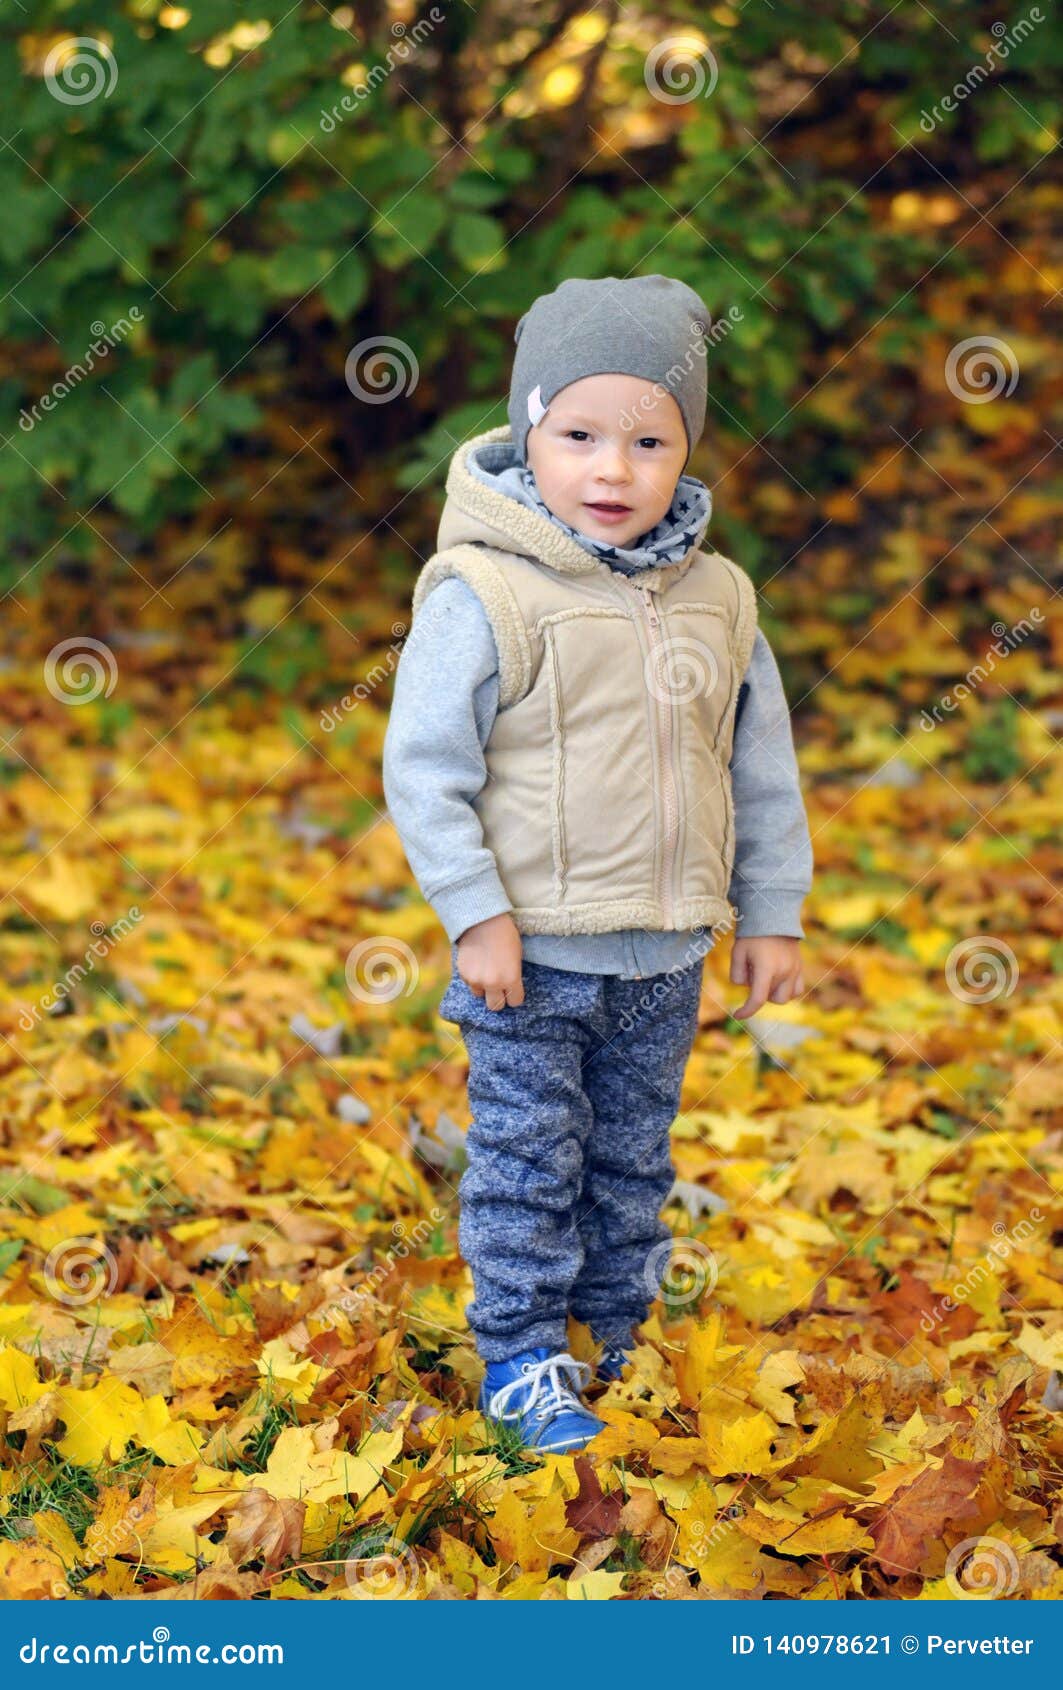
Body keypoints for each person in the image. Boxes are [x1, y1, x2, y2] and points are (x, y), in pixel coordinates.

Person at [382, 274, 812, 1454]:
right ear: (530, 430)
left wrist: (769, 910)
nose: (611, 469)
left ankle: (612, 1334)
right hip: (530, 953)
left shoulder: (720, 599)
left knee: (629, 1157)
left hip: (665, 947)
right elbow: (426, 768)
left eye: (647, 439)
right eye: (579, 435)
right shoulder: (487, 592)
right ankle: (520, 1354)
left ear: (687, 449)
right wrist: (474, 913)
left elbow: (757, 764)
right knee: (528, 1158)